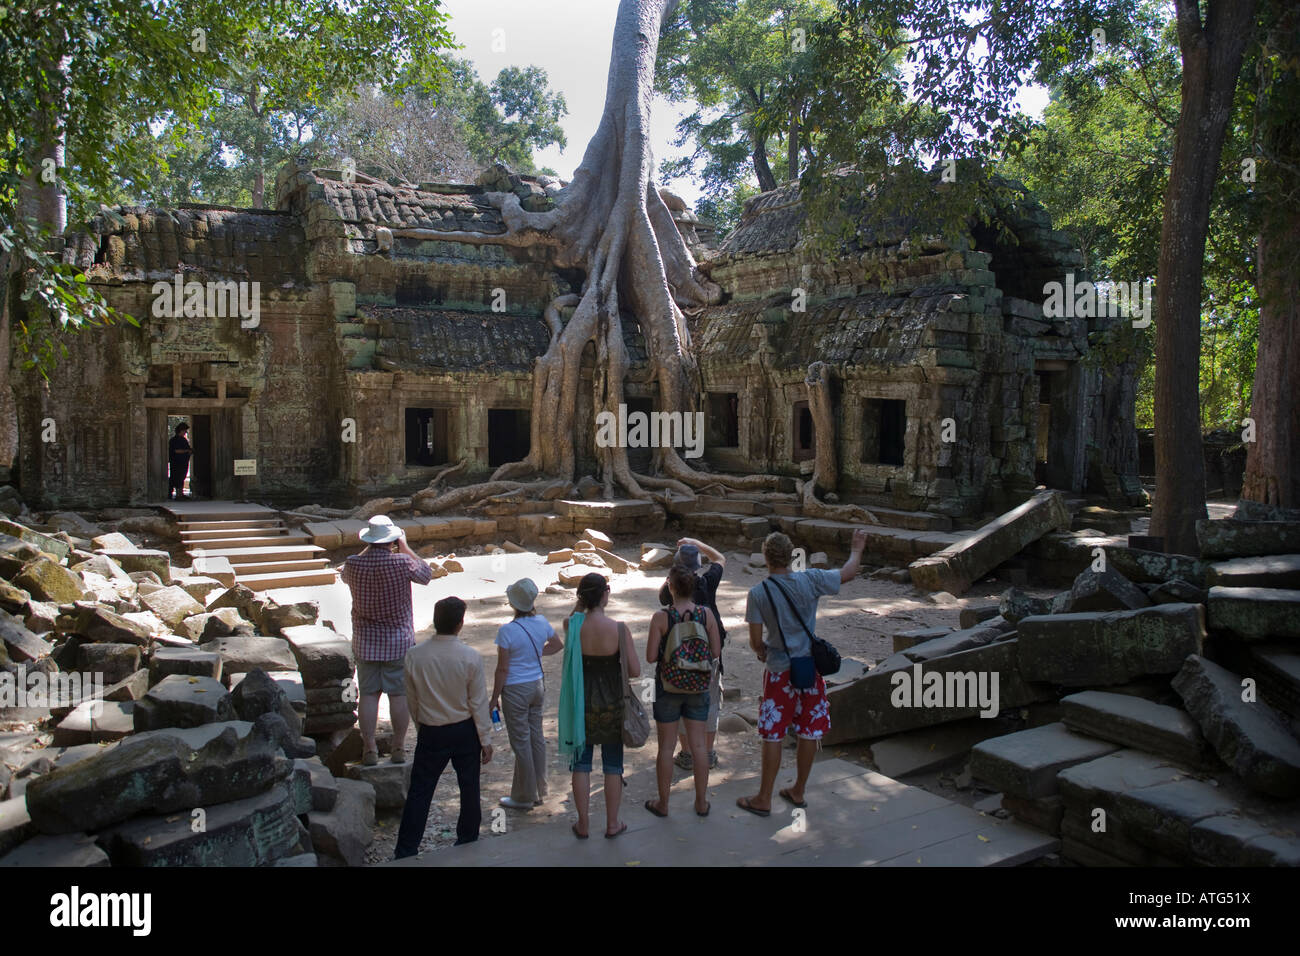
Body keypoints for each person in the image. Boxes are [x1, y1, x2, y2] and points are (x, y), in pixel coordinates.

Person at [736, 527, 867, 817]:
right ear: (792, 555)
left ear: (766, 559)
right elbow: (847, 573)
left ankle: (764, 798)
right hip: (809, 669)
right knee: (809, 729)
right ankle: (798, 790)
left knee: (773, 732)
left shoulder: (758, 593)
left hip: (779, 671)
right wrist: (857, 549)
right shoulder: (810, 580)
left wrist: (762, 652)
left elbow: (756, 641)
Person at [394, 596, 493, 856]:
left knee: (420, 791)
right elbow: (478, 702)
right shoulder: (470, 657)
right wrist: (485, 738)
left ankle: (406, 849)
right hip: (464, 729)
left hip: (431, 730)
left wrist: (422, 725)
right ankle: (468, 839)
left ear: (435, 621)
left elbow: (412, 700)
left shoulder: (414, 655)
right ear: (460, 624)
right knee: (469, 786)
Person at [339, 515, 433, 766]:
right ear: (391, 540)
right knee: (398, 694)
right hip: (398, 641)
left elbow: (345, 575)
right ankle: (398, 747)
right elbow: (426, 574)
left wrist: (369, 547)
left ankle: (369, 748)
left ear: (369, 540)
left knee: (369, 695)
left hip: (365, 640)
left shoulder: (353, 564)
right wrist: (404, 546)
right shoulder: (402, 562)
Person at [559, 572, 639, 839]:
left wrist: (582, 602)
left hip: (581, 703)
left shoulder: (572, 626)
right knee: (613, 765)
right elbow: (635, 670)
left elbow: (570, 618)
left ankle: (583, 823)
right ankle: (612, 823)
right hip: (612, 703)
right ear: (606, 593)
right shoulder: (619, 629)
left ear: (581, 596)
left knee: (580, 765)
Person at [645, 564, 721, 819]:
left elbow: (650, 657)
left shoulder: (661, 617)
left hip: (668, 684)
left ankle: (663, 803)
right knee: (699, 747)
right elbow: (715, 652)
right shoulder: (706, 614)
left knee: (666, 747)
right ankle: (701, 802)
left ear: (671, 587)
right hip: (698, 685)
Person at [490, 577, 563, 811]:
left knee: (521, 741)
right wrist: (536, 656)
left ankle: (525, 796)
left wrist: (494, 698)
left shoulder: (507, 631)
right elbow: (557, 644)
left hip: (515, 689)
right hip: (536, 685)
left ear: (513, 604)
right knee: (536, 737)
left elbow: (502, 668)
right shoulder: (542, 622)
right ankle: (540, 789)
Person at [656, 537, 726, 771]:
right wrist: (698, 543)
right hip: (707, 659)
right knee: (711, 702)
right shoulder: (708, 583)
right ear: (698, 566)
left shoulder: (668, 593)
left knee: (681, 701)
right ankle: (707, 752)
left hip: (677, 659)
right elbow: (720, 559)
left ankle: (687, 753)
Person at [168, 422, 192, 500]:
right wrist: (186, 451)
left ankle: (180, 494)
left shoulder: (184, 440)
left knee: (182, 477)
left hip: (183, 462)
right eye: (185, 431)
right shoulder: (174, 440)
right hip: (176, 462)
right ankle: (175, 495)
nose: (185, 432)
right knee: (176, 477)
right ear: (181, 430)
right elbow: (176, 451)